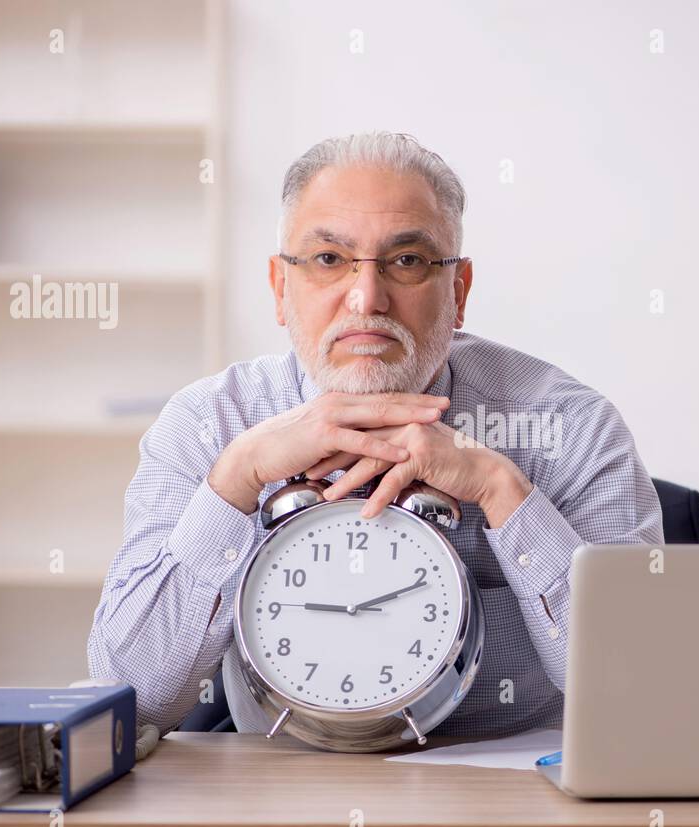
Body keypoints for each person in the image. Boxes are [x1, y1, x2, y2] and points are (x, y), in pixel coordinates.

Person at [87, 131, 662, 737]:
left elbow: (647, 699)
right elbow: (131, 700)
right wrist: (235, 482)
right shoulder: (208, 426)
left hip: (509, 805)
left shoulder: (569, 429)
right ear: (281, 289)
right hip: (274, 797)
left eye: (407, 261)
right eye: (329, 260)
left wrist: (503, 492)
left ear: (458, 292)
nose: (366, 298)